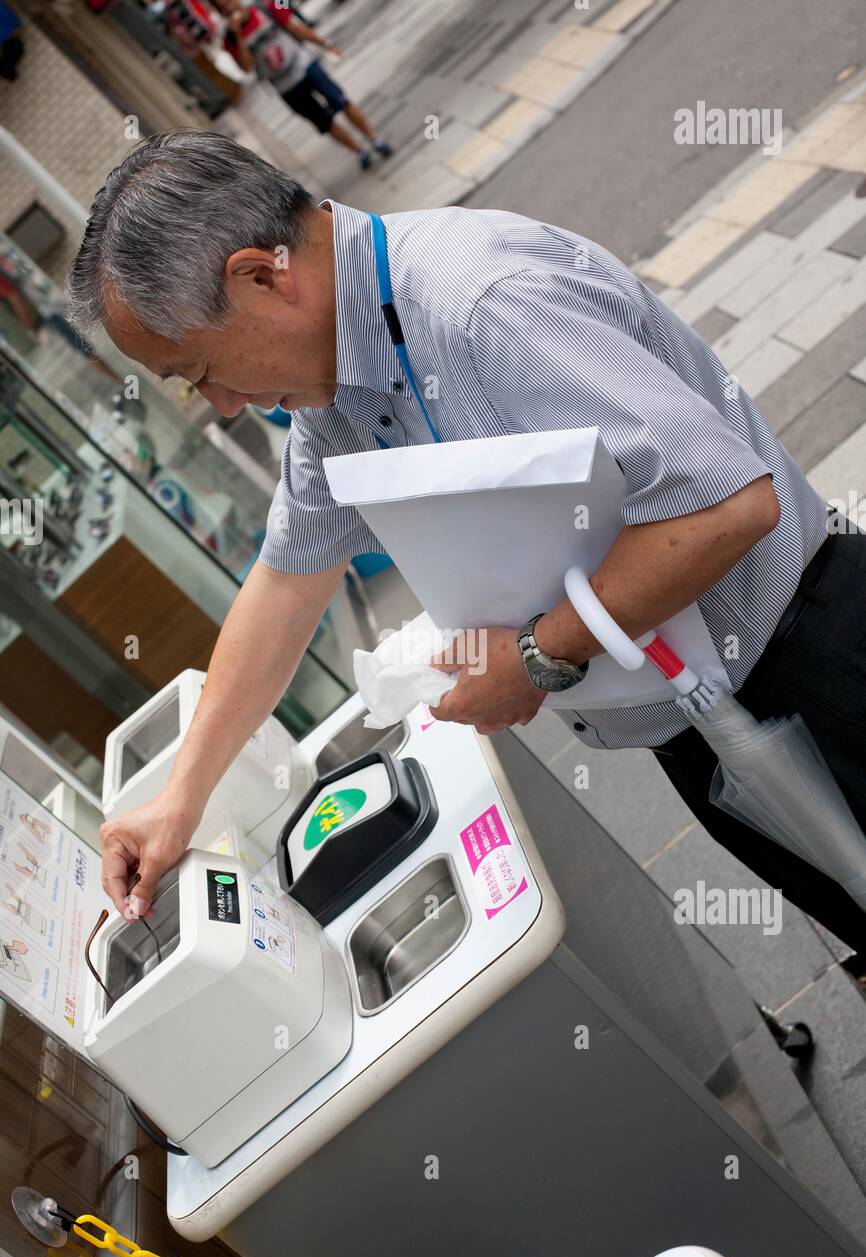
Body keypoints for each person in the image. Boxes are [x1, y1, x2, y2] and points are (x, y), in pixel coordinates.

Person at [66, 131, 866, 952]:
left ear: (263, 276)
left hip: (816, 660)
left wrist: (537, 656)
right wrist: (180, 798)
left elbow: (725, 506)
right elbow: (286, 581)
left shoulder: (480, 300)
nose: (224, 405)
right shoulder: (330, 397)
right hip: (697, 728)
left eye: (200, 371)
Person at [217, 0, 392, 170]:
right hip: (285, 85)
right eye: (223, 7)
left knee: (339, 100)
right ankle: (359, 151)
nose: (229, 7)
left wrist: (325, 43)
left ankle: (374, 138)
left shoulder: (264, 6)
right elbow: (246, 68)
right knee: (323, 121)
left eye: (229, 1)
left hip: (303, 64)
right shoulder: (229, 39)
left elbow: (295, 28)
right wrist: (238, 34)